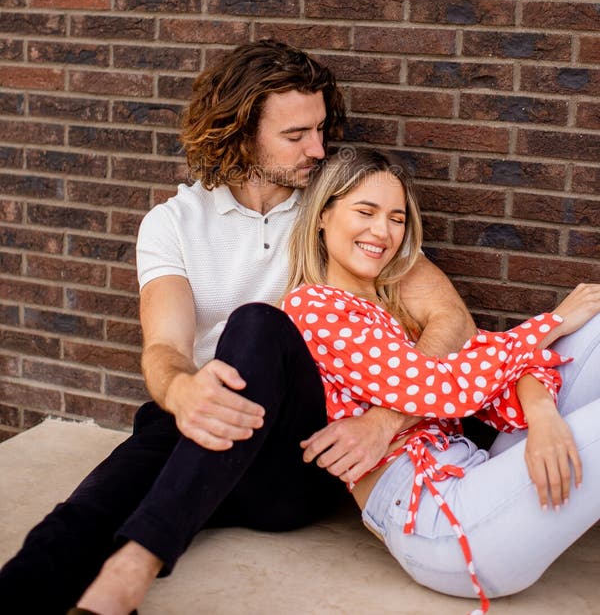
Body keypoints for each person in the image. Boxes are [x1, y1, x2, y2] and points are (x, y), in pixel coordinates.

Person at [0, 41, 475, 615]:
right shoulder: (175, 223)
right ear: (241, 132)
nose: (317, 149)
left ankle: (134, 569)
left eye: (320, 130)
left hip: (295, 455)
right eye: (295, 135)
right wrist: (184, 391)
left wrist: (385, 419)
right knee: (88, 512)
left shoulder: (335, 210)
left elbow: (454, 321)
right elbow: (166, 348)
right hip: (203, 424)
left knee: (258, 324)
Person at [281, 148, 600, 615]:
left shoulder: (397, 309)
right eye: (365, 212)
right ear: (323, 217)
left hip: (475, 472)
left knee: (594, 326)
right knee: (572, 328)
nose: (382, 232)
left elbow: (497, 363)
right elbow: (439, 387)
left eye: (396, 219)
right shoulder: (314, 307)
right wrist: (551, 322)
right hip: (439, 523)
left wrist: (544, 416)